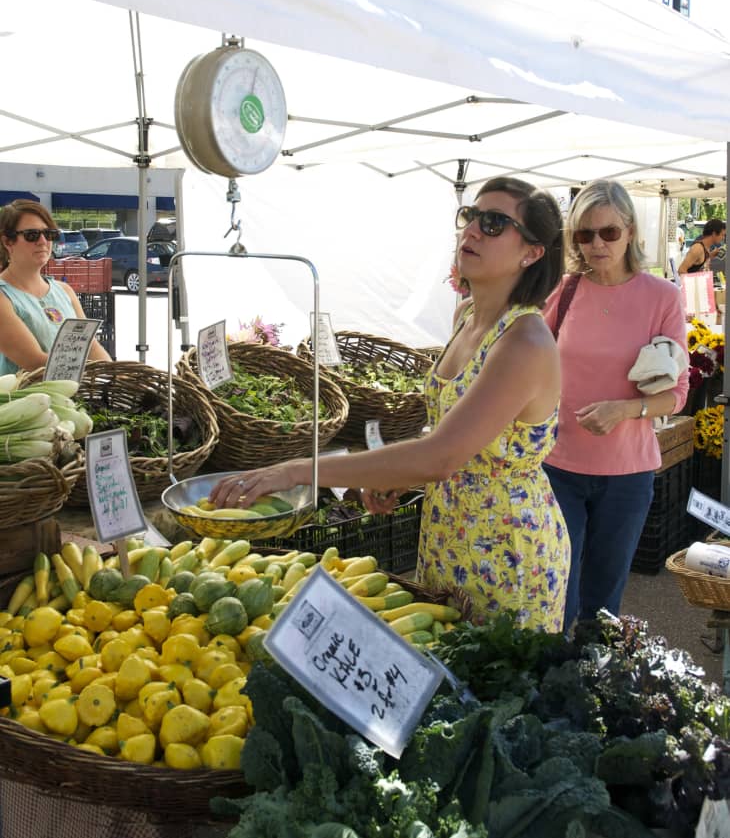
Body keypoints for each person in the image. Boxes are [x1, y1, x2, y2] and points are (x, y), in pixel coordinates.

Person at [211, 176, 570, 632]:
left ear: (532, 252)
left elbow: (441, 456)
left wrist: (298, 470)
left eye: (495, 223)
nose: (473, 231)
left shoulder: (525, 341)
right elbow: (455, 436)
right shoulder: (466, 318)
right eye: (471, 216)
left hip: (507, 548)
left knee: (496, 686)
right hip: (451, 529)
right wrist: (400, 476)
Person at [543, 179, 689, 632]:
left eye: (608, 232)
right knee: (554, 586)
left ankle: (589, 689)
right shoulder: (561, 292)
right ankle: (546, 687)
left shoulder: (662, 296)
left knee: (602, 600)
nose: (596, 245)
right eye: (583, 235)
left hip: (627, 473)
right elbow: (529, 360)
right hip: (556, 463)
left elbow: (677, 393)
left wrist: (622, 410)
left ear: (629, 231)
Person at [0, 199, 112, 373]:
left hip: (73, 397)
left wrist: (115, 374)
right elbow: (34, 361)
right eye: (32, 235)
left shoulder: (64, 291)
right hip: (29, 398)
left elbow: (91, 346)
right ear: (8, 242)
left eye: (49, 233)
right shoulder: (3, 297)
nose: (43, 241)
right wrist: (94, 373)